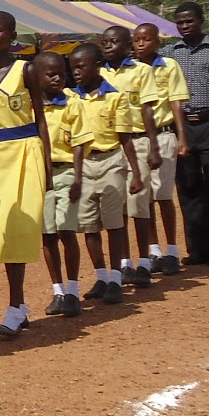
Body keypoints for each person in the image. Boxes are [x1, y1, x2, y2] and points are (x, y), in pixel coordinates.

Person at [0, 12, 51, 338]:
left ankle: (16, 305)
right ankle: (19, 304)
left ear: (12, 35)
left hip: (24, 151)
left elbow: (42, 118)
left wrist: (47, 165)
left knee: (18, 228)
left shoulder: (26, 70)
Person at [162, 3, 209, 267]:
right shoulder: (168, 54)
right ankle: (196, 249)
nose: (184, 26)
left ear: (201, 21)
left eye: (189, 21)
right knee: (187, 189)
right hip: (182, 128)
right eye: (179, 22)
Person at [66, 44, 143, 304]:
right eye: (72, 67)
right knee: (88, 224)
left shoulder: (115, 97)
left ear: (97, 65)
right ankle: (100, 276)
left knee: (114, 222)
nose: (75, 72)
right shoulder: (69, 97)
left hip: (110, 160)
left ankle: (116, 277)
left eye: (81, 66)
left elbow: (126, 139)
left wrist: (135, 173)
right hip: (83, 164)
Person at [99, 26, 163, 289]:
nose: (109, 46)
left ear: (127, 45)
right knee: (118, 207)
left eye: (115, 41)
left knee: (139, 204)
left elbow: (147, 109)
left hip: (137, 141)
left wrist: (153, 145)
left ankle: (145, 261)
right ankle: (124, 263)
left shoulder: (141, 71)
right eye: (105, 42)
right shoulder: (98, 72)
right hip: (112, 147)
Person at [132, 24, 190, 276]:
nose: (141, 43)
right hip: (138, 139)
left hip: (164, 135)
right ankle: (153, 250)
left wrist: (182, 137)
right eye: (137, 40)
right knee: (143, 198)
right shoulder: (130, 70)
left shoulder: (169, 66)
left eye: (147, 39)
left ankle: (172, 250)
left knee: (163, 194)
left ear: (157, 42)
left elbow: (176, 102)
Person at [34, 52, 83, 317]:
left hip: (65, 174)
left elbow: (78, 144)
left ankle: (73, 291)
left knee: (67, 231)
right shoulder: (30, 108)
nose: (57, 78)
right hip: (41, 178)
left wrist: (77, 178)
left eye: (61, 74)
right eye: (50, 74)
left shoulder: (72, 104)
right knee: (48, 236)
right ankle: (58, 291)